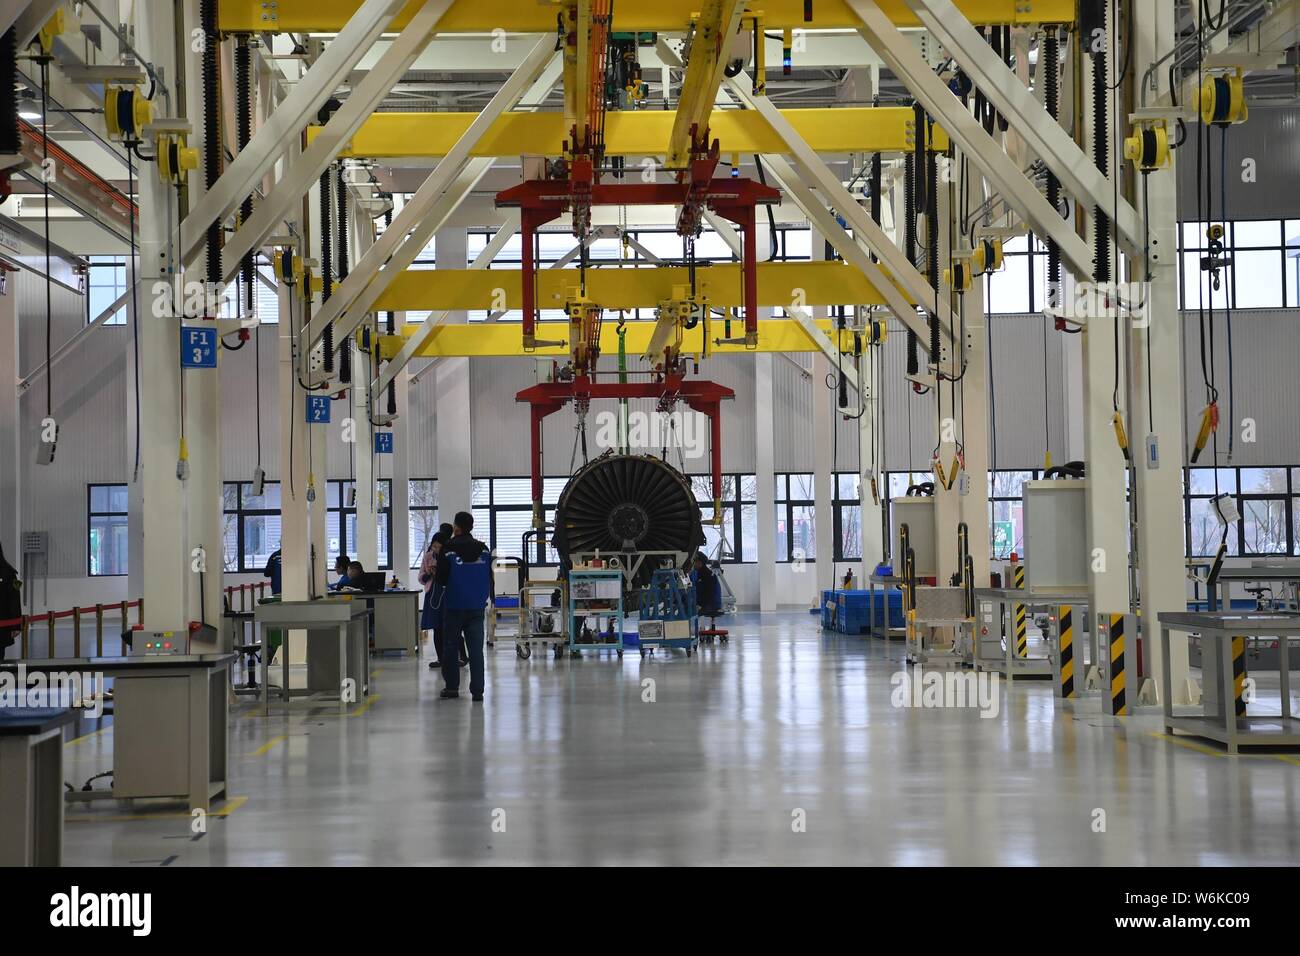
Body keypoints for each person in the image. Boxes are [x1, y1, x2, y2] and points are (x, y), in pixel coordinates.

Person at [438, 512, 492, 701]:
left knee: (451, 647)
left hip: (454, 605)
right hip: (477, 606)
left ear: (456, 528)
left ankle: (452, 688)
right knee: (476, 650)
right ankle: (478, 691)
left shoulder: (448, 549)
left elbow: (441, 578)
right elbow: (489, 577)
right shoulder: (484, 550)